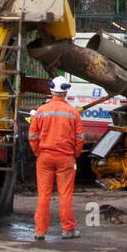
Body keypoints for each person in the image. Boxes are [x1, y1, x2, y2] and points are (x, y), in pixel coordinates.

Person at [28, 77, 84, 240]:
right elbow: (80, 138)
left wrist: (38, 152)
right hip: (65, 158)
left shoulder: (41, 111)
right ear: (65, 92)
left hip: (44, 157)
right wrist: (75, 155)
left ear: (51, 91)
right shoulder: (73, 113)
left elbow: (32, 135)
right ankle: (67, 229)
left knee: (43, 195)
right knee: (65, 194)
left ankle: (40, 231)